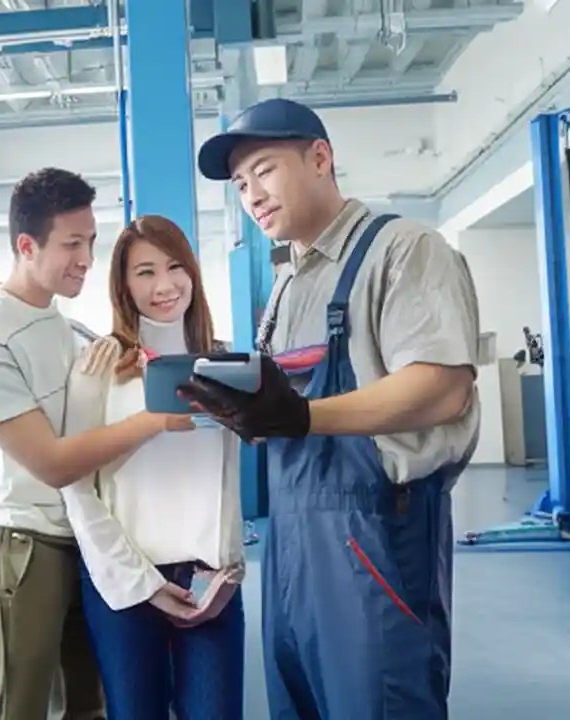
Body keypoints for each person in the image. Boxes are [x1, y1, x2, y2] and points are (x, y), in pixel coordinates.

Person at [182, 98, 481, 719]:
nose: (252, 195)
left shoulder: (402, 249)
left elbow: (442, 386)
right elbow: (285, 410)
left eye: (263, 170)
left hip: (375, 539)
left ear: (320, 158)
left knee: (377, 704)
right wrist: (240, 409)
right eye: (240, 184)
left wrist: (303, 417)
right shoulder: (289, 282)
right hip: (290, 543)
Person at [0, 168, 195, 720]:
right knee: (20, 707)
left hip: (73, 539)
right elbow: (55, 463)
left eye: (90, 242)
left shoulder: (55, 321)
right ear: (26, 246)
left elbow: (80, 426)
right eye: (72, 244)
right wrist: (153, 420)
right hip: (19, 547)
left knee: (86, 704)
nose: (86, 258)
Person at [59, 215, 246, 720]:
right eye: (144, 272)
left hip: (209, 582)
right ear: (122, 284)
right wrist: (140, 581)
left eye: (174, 266)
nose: (164, 286)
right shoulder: (100, 366)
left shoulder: (223, 365)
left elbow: (224, 480)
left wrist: (229, 568)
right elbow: (76, 487)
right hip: (125, 583)